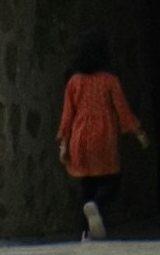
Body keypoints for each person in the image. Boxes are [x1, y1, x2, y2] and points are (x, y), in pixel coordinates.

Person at [55, 34, 146, 240]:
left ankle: (85, 233)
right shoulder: (109, 81)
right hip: (104, 137)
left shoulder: (74, 82)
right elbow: (123, 110)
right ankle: (96, 205)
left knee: (87, 184)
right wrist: (139, 132)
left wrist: (64, 144)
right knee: (112, 181)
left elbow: (67, 116)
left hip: (80, 137)